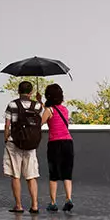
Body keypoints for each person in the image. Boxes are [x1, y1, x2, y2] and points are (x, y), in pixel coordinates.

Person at [4, 80, 43, 214]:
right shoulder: (37, 106)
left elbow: (7, 125)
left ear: (18, 91)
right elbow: (40, 120)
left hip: (14, 142)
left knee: (16, 175)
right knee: (31, 176)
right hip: (31, 144)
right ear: (31, 92)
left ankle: (19, 206)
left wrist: (6, 138)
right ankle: (35, 205)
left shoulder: (12, 104)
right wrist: (39, 100)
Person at [40, 83, 74, 212]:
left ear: (48, 96)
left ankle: (53, 203)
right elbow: (55, 112)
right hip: (68, 142)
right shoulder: (65, 109)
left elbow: (40, 122)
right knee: (67, 174)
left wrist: (41, 107)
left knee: (53, 174)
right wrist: (42, 103)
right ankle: (68, 199)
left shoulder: (49, 110)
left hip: (55, 143)